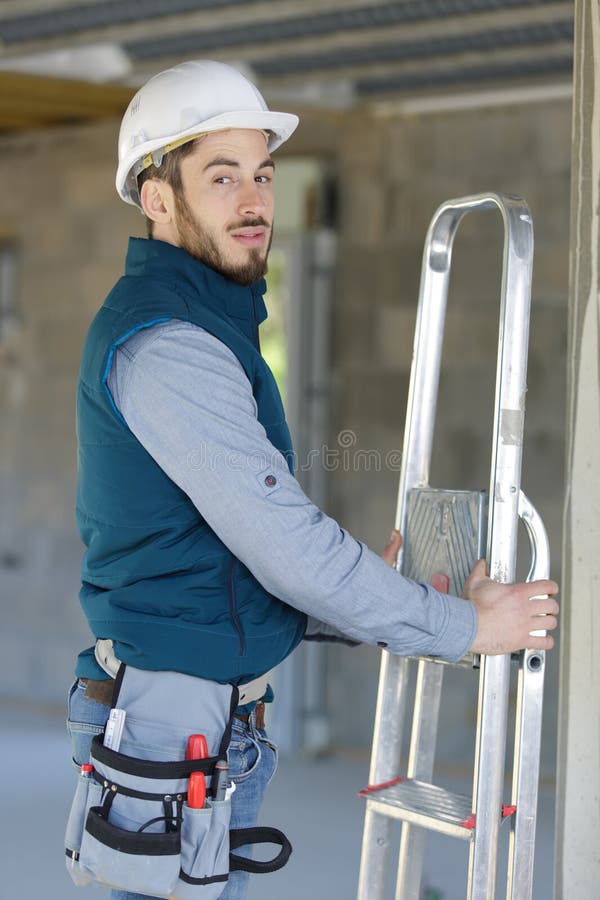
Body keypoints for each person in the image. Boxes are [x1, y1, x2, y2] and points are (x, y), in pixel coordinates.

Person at [67, 59, 559, 900]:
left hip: (202, 729)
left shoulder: (206, 324)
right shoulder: (170, 346)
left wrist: (371, 595)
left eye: (261, 173)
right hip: (173, 733)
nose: (255, 200)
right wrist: (458, 629)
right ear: (157, 198)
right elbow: (284, 547)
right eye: (221, 178)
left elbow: (232, 557)